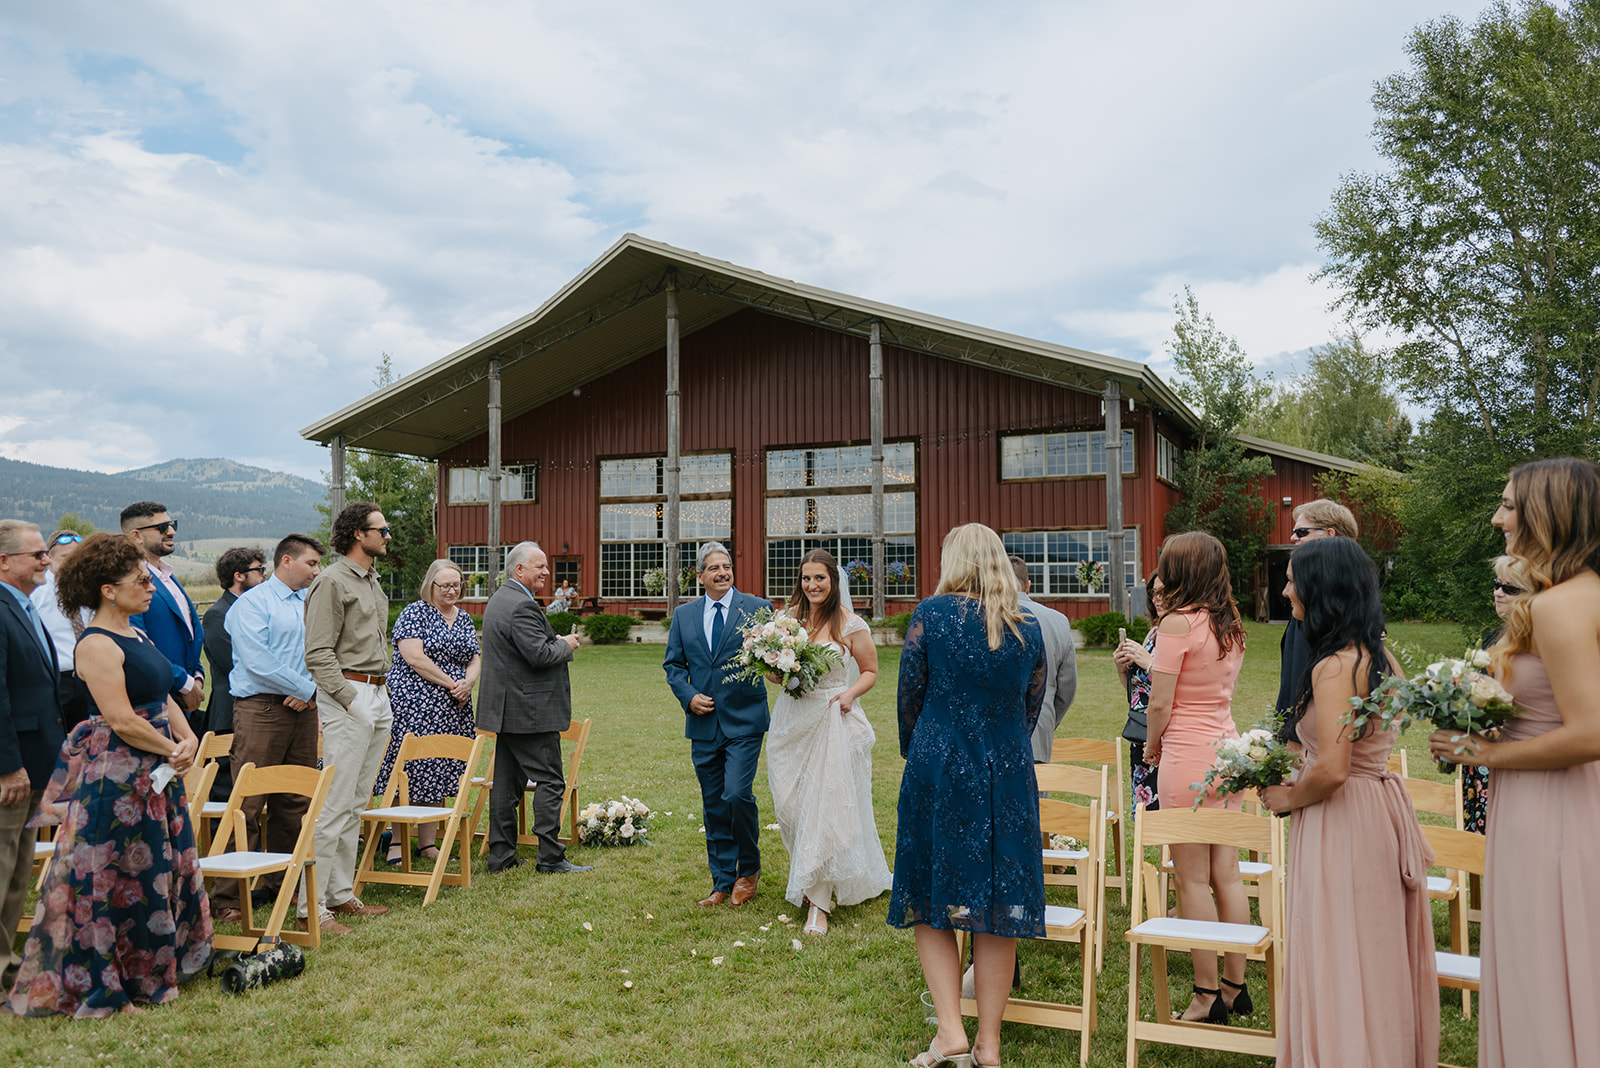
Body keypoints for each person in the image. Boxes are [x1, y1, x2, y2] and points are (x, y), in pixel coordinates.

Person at [1426, 458, 1600, 1067]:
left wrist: (1489, 752)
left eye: (1507, 506)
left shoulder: (1560, 606)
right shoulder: (1580, 594)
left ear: (1545, 514)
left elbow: (1590, 732)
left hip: (1550, 811)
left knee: (1541, 971)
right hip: (1565, 803)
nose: (1497, 519)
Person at [6, 532, 210, 1016]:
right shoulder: (95, 645)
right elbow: (120, 718)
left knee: (156, 870)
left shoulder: (138, 635)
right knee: (114, 878)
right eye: (141, 581)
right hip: (117, 779)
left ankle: (152, 968)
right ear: (108, 590)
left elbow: (162, 695)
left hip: (157, 769)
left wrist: (188, 739)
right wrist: (171, 749)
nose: (150, 587)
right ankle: (105, 980)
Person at [1258, 537, 1439, 1066]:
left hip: (1340, 820)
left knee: (1337, 947)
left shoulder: (1337, 667)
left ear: (1322, 589)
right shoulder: (1380, 656)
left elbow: (1334, 768)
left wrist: (1288, 797)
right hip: (1375, 812)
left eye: (1292, 580)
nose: (1285, 590)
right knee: (1371, 949)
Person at [888, 523, 1046, 1068]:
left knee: (931, 894)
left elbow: (909, 697)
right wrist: (1003, 748)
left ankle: (951, 1031)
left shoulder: (931, 615)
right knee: (1001, 903)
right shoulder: (1027, 624)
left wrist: (919, 748)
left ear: (953, 560)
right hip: (1008, 772)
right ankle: (989, 1043)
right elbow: (1031, 705)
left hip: (940, 767)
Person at [1143, 530, 1251, 1023]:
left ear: (1181, 570)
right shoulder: (1231, 624)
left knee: (1190, 878)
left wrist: (1152, 746)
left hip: (1187, 754)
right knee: (1227, 873)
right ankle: (1234, 985)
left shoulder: (1177, 623)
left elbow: (1160, 702)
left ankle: (1206, 995)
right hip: (1228, 754)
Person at [764, 549, 891, 935]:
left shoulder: (850, 623)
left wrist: (850, 694)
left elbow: (870, 671)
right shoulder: (788, 621)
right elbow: (776, 671)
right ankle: (810, 876)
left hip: (832, 717)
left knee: (823, 809)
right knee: (790, 807)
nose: (812, 585)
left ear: (833, 580)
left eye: (819, 577)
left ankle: (818, 905)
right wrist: (773, 668)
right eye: (806, 578)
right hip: (791, 721)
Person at [210, 535, 328, 930]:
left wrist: (309, 689)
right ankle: (226, 896)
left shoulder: (310, 602)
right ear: (287, 561)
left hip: (304, 710)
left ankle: (283, 883)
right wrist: (305, 688)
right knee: (248, 801)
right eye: (311, 563)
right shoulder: (252, 603)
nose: (316, 571)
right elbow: (257, 660)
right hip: (261, 708)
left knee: (294, 800)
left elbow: (322, 649)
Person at [663, 541, 771, 907]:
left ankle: (749, 870)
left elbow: (771, 655)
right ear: (700, 576)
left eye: (726, 566)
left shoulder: (757, 609)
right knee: (713, 803)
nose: (722, 572)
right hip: (704, 723)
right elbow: (673, 666)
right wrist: (688, 696)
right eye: (714, 568)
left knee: (736, 795)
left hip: (745, 720)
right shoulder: (684, 615)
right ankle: (722, 880)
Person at [302, 502, 394, 927]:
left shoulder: (372, 580)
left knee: (356, 802)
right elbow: (318, 652)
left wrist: (377, 697)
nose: (388, 536)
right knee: (335, 803)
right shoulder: (331, 581)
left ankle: (339, 894)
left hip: (377, 692)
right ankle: (311, 908)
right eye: (382, 529)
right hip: (349, 694)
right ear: (359, 534)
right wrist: (348, 699)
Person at [479, 542, 588, 875]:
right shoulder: (521, 605)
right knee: (551, 781)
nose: (546, 572)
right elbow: (539, 655)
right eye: (539, 566)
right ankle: (551, 857)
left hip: (508, 711)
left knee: (506, 786)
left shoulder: (501, 599)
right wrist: (565, 644)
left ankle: (501, 857)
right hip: (530, 713)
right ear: (519, 569)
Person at [375, 559, 482, 866]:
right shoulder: (414, 613)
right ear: (430, 586)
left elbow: (474, 657)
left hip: (453, 706)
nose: (451, 590)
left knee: (440, 768)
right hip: (415, 703)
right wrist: (453, 684)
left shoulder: (463, 618)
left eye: (456, 585)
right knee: (407, 769)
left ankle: (427, 844)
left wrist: (468, 683)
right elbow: (414, 658)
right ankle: (396, 843)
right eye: (445, 585)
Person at [0, 521, 68, 996]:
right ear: (4, 561)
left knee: (16, 875)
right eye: (38, 555)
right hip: (12, 766)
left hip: (35, 761)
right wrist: (7, 766)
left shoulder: (24, 606)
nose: (47, 561)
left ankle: (7, 969)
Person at [1275, 499, 1358, 744]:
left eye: (1302, 532)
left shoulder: (1323, 597)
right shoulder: (1350, 590)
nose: (1293, 537)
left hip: (1317, 738)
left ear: (1329, 534)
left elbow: (1304, 675)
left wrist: (1293, 739)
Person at [1465, 555, 1533, 834]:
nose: (1498, 592)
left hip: (1512, 754)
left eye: (1509, 588)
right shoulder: (1493, 637)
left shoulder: (1535, 645)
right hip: (1479, 758)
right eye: (1496, 585)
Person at [122, 503, 205, 723]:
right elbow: (139, 646)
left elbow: (190, 635)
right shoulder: (128, 585)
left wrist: (197, 678)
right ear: (136, 536)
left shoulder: (168, 576)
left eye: (172, 524)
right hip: (154, 704)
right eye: (162, 527)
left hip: (184, 702)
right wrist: (184, 684)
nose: (171, 532)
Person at [199, 545, 266, 800]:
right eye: (259, 570)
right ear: (239, 575)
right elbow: (236, 663)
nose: (264, 575)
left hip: (260, 710)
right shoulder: (218, 615)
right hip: (230, 712)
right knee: (227, 788)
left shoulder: (257, 611)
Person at [1008, 555, 1078, 763]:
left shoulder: (982, 617)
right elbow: (1067, 688)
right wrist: (1046, 717)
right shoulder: (1058, 621)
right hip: (1039, 729)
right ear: (1028, 586)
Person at [1113, 574, 1166, 812]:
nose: (1157, 598)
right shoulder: (1153, 633)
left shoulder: (1180, 636)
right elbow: (1138, 692)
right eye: (1153, 592)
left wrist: (1149, 663)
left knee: (1167, 816)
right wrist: (1122, 669)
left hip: (1164, 737)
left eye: (1163, 592)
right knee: (1146, 817)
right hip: (1141, 735)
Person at [31, 530, 90, 732]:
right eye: (66, 557)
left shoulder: (91, 590)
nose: (74, 562)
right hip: (57, 681)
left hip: (91, 678)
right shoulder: (36, 592)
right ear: (49, 557)